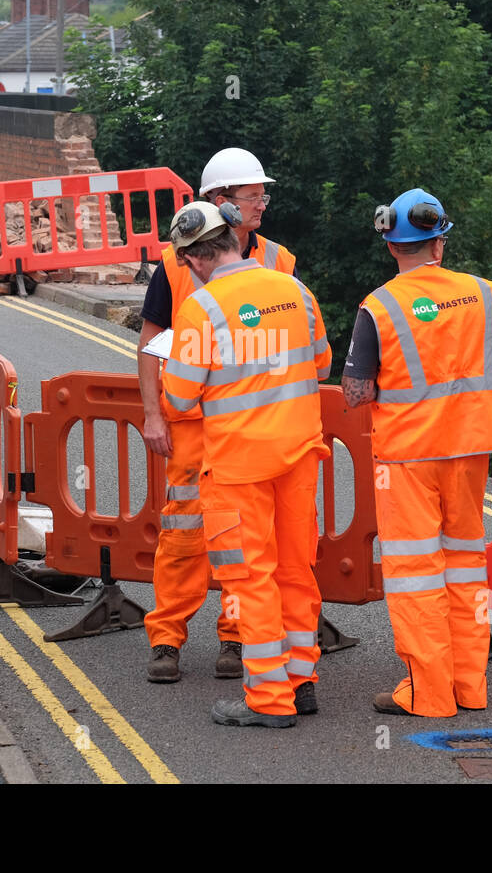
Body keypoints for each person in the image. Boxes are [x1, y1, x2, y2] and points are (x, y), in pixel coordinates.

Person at [341, 188, 492, 717]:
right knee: (464, 565)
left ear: (393, 246)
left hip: (409, 457)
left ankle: (429, 694)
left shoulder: (380, 305)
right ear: (439, 242)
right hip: (471, 447)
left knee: (415, 573)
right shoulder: (486, 293)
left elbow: (356, 391)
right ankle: (469, 687)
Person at [160, 200, 332, 727]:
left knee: (250, 579)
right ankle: (300, 681)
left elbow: (180, 398)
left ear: (193, 258)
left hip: (238, 467)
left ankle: (268, 699)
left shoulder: (202, 307)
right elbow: (322, 361)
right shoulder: (295, 290)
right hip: (300, 456)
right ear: (233, 240)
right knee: (296, 571)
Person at [137, 147, 298, 684]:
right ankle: (167, 638)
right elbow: (149, 342)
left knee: (250, 538)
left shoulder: (280, 262)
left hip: (247, 428)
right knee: (183, 531)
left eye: (261, 195)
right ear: (219, 203)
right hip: (191, 426)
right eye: (253, 196)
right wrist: (152, 416)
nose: (262, 205)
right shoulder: (175, 259)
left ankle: (237, 637)